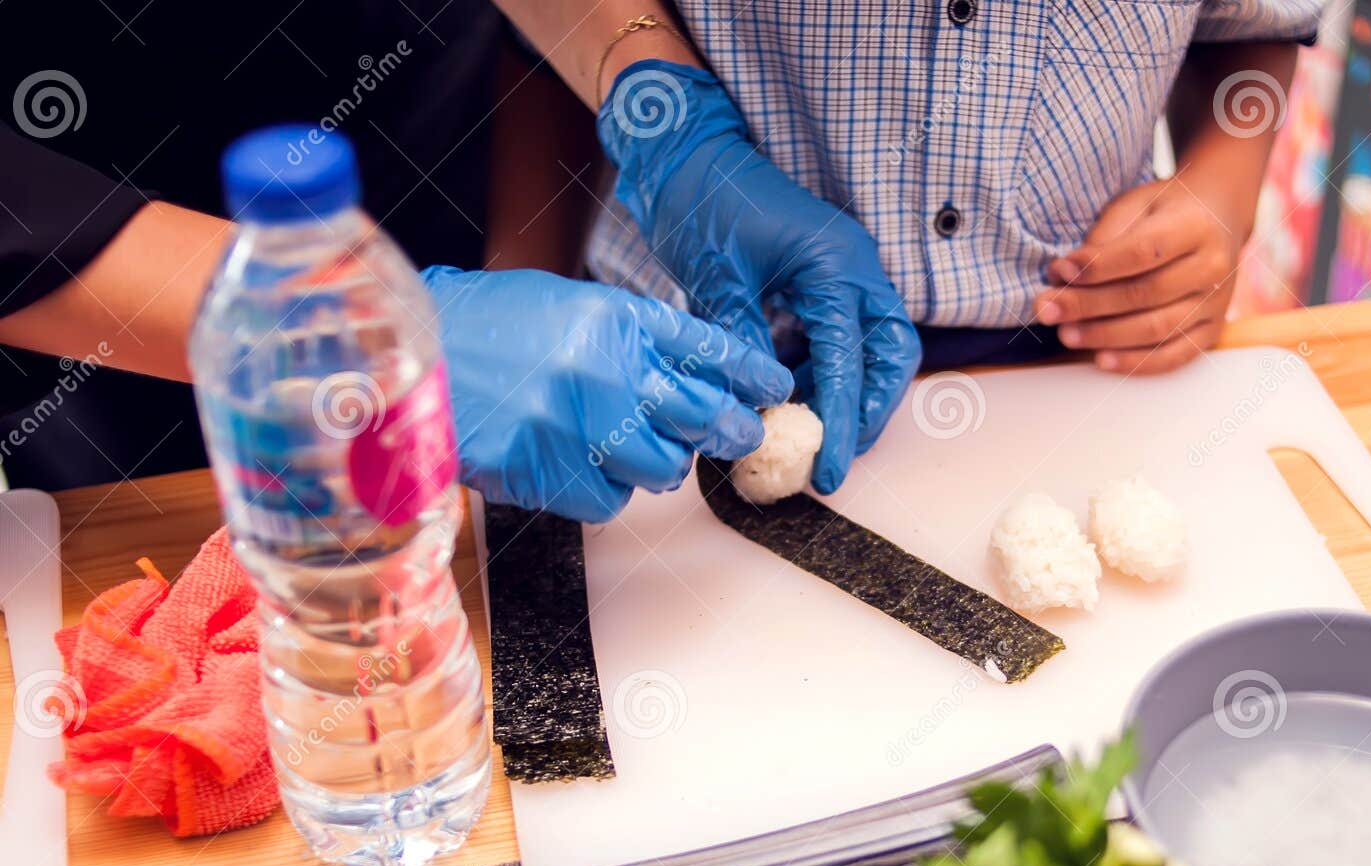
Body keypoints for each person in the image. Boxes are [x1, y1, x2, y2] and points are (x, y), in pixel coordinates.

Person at [0, 2, 790, 519]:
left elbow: (521, 34)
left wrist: (527, 269)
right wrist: (361, 335)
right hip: (111, 335)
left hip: (451, 168)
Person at [501, 0, 1318, 473]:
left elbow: (1250, 19)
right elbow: (533, 41)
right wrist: (519, 304)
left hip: (1085, 351)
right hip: (677, 349)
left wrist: (1226, 179)